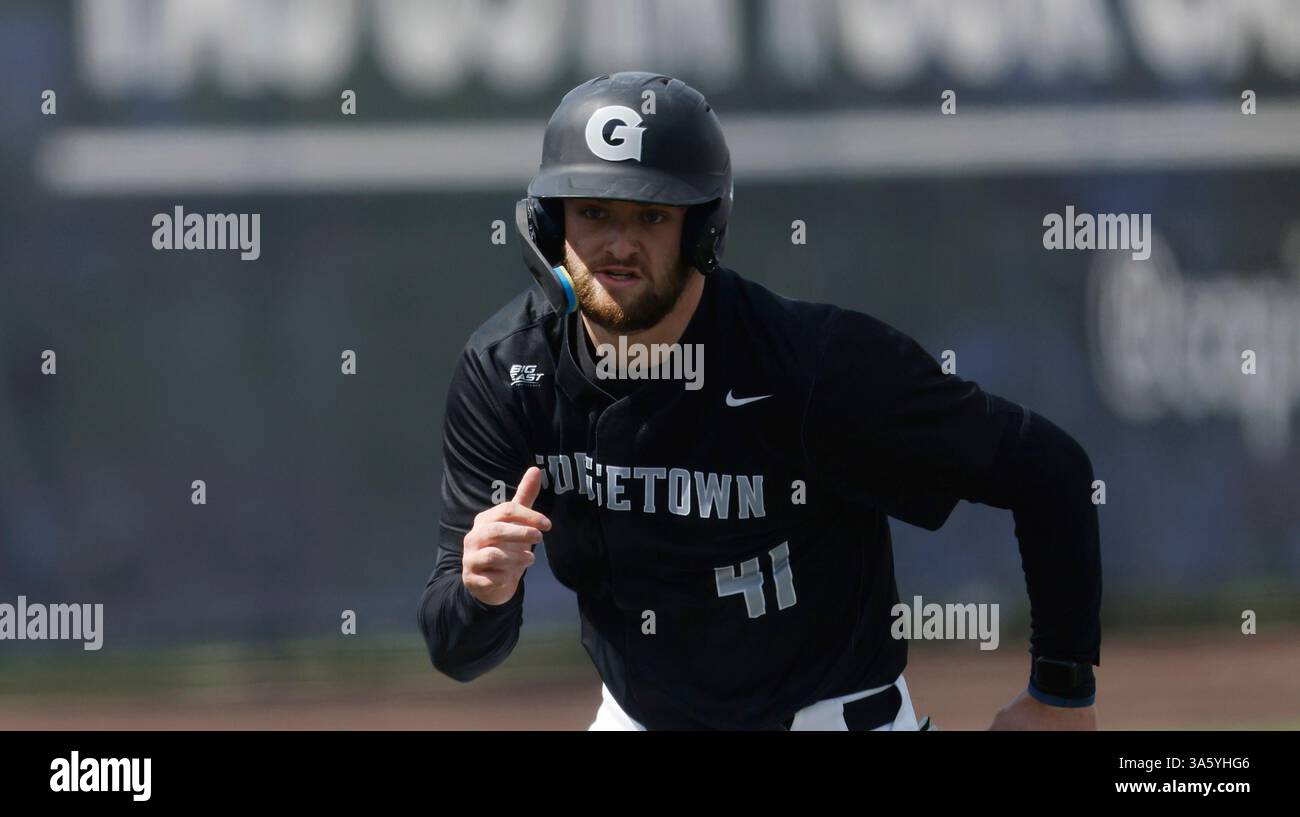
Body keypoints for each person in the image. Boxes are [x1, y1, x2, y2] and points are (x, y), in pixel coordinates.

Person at [418, 72, 1101, 730]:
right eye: (593, 211)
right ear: (547, 223)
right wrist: (484, 594)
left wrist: (1060, 695)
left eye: (651, 213)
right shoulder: (508, 371)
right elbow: (456, 648)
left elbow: (1048, 469)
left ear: (702, 230)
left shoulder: (811, 365)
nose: (619, 243)